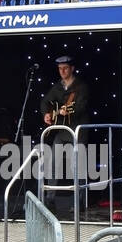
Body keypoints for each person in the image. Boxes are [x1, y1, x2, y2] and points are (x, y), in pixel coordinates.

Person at [39, 55, 91, 213]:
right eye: (60, 68)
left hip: (78, 130)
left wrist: (66, 111)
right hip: (62, 130)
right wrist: (46, 114)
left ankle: (79, 200)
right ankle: (50, 199)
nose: (62, 71)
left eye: (65, 68)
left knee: (77, 166)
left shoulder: (81, 86)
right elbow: (45, 101)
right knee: (53, 162)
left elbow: (81, 106)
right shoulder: (57, 87)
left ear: (72, 68)